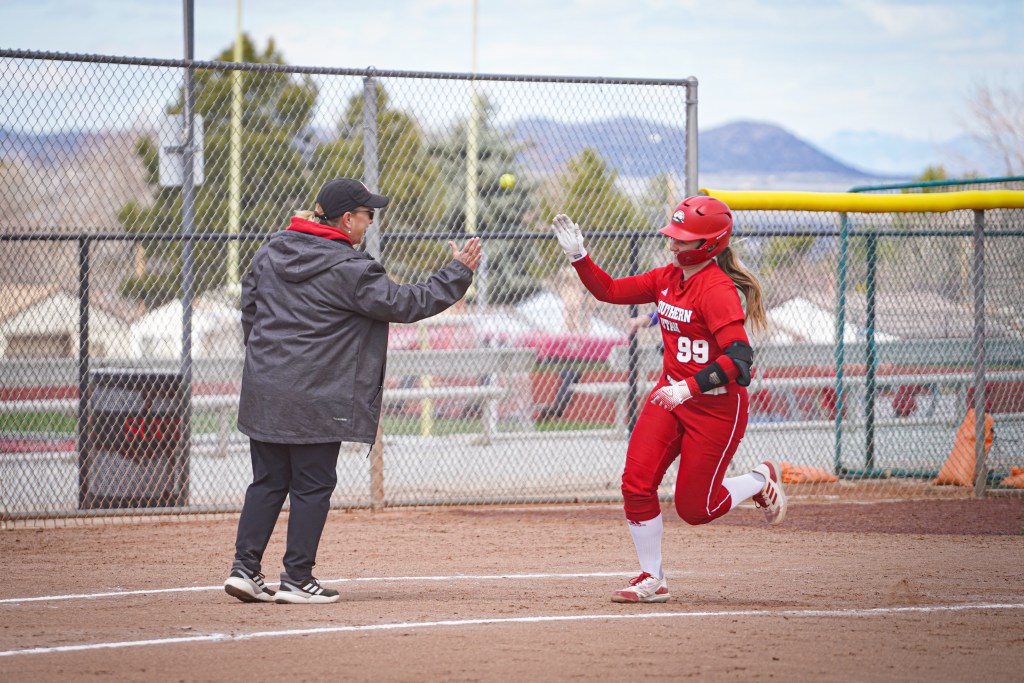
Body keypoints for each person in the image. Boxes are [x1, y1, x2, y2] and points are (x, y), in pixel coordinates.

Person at [224, 178, 481, 605]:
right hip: (315, 394)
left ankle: (245, 570)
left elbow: (249, 311)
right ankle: (296, 579)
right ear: (347, 219)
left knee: (268, 481)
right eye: (368, 215)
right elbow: (406, 303)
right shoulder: (351, 268)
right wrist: (459, 272)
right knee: (312, 484)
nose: (370, 223)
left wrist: (271, 360)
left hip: (265, 388)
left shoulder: (271, 251)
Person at [550, 195, 786, 604]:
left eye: (683, 239)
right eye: (672, 236)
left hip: (715, 409)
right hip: (672, 398)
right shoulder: (666, 277)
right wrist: (579, 256)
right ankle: (652, 577)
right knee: (635, 484)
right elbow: (607, 291)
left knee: (696, 509)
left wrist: (688, 387)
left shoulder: (716, 289)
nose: (672, 244)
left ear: (710, 245)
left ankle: (760, 480)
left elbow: (740, 359)